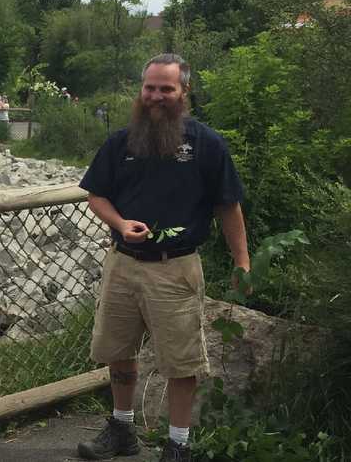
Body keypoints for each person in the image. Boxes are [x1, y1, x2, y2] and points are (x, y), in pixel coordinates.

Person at [76, 54, 249, 462]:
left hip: (176, 267)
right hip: (122, 263)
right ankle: (122, 428)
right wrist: (120, 224)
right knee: (118, 349)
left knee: (180, 360)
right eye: (150, 87)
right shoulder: (121, 142)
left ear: (183, 92)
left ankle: (178, 444)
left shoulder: (207, 144)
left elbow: (229, 206)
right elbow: (96, 195)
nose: (156, 96)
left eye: (166, 89)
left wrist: (242, 262)